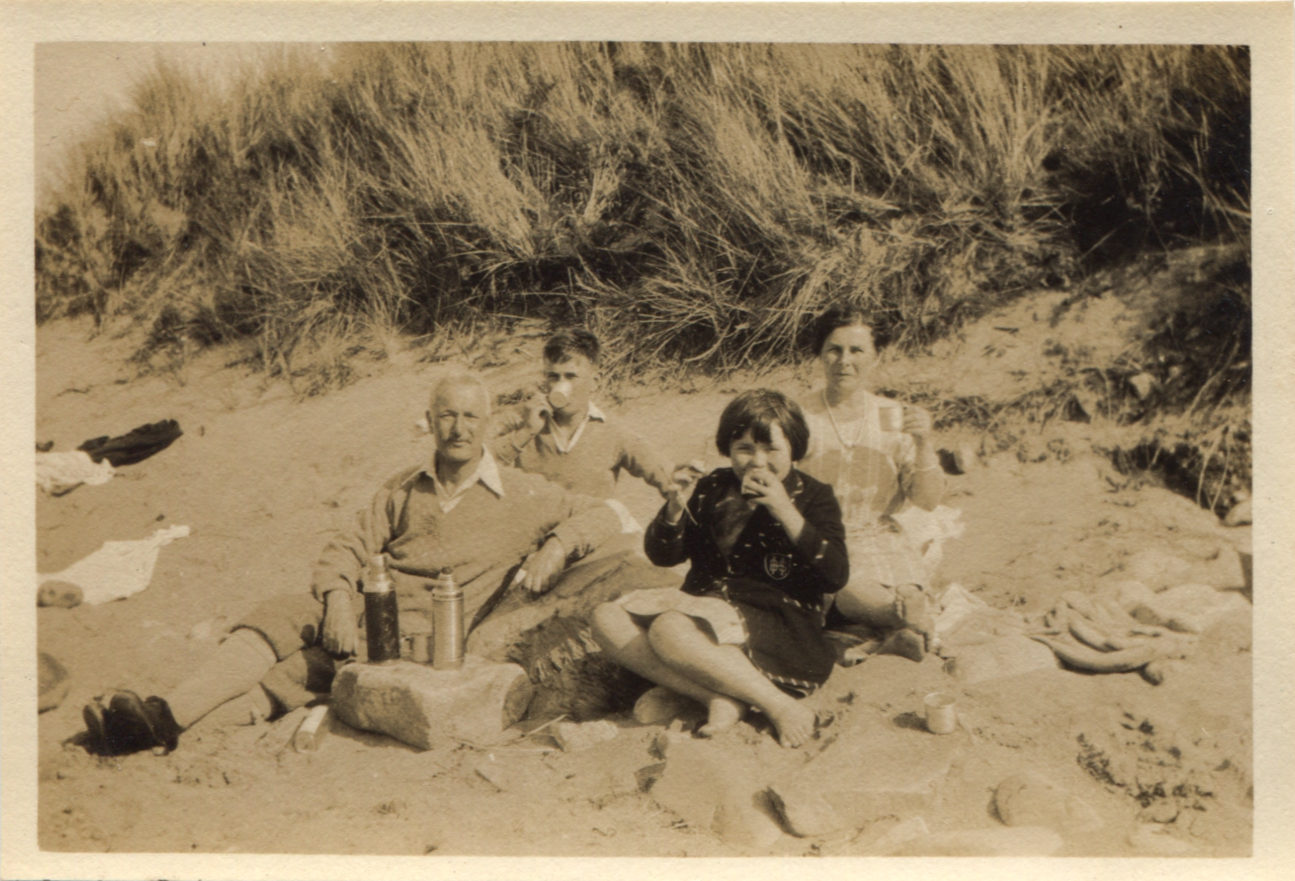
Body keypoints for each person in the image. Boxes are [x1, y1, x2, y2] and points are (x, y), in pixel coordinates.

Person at [81, 372, 623, 756]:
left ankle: (152, 723)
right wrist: (338, 598)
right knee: (288, 620)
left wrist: (556, 547)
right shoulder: (403, 489)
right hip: (365, 620)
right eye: (448, 416)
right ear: (431, 422)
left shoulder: (522, 493)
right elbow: (345, 547)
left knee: (290, 675)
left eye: (470, 417)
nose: (459, 429)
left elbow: (603, 513)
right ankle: (155, 724)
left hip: (421, 640)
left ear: (486, 424)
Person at [591, 390, 848, 748]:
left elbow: (835, 575)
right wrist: (673, 506)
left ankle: (779, 706)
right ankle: (716, 697)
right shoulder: (713, 486)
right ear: (728, 449)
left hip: (779, 626)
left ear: (794, 448)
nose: (757, 461)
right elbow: (664, 557)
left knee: (669, 628)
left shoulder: (813, 495)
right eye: (744, 449)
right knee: (606, 618)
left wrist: (784, 510)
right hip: (708, 614)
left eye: (771, 449)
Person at [796, 305, 945, 660]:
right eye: (834, 349)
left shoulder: (892, 416)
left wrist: (924, 443)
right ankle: (899, 619)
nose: (844, 361)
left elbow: (926, 500)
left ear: (876, 357)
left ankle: (901, 617)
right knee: (844, 580)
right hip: (816, 537)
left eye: (857, 350)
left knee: (905, 583)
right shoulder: (797, 416)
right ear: (819, 354)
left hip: (878, 536)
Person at [491, 329, 675, 527]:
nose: (560, 385)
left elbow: (665, 476)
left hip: (590, 535)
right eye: (554, 376)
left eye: (571, 376)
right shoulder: (523, 417)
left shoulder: (612, 431)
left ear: (594, 381)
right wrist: (526, 432)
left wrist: (677, 483)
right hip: (534, 531)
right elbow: (473, 459)